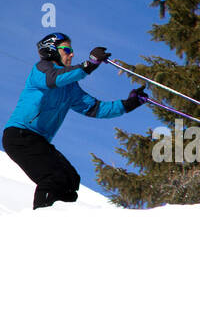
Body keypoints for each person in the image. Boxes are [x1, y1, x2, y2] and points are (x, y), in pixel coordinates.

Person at [3, 32, 146, 209]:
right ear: (51, 50)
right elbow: (54, 79)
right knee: (53, 177)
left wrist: (130, 103)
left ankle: (63, 221)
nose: (71, 54)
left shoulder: (70, 88)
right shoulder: (41, 69)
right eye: (67, 50)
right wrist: (89, 65)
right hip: (20, 136)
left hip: (38, 141)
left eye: (72, 51)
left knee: (71, 179)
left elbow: (96, 109)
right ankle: (40, 223)